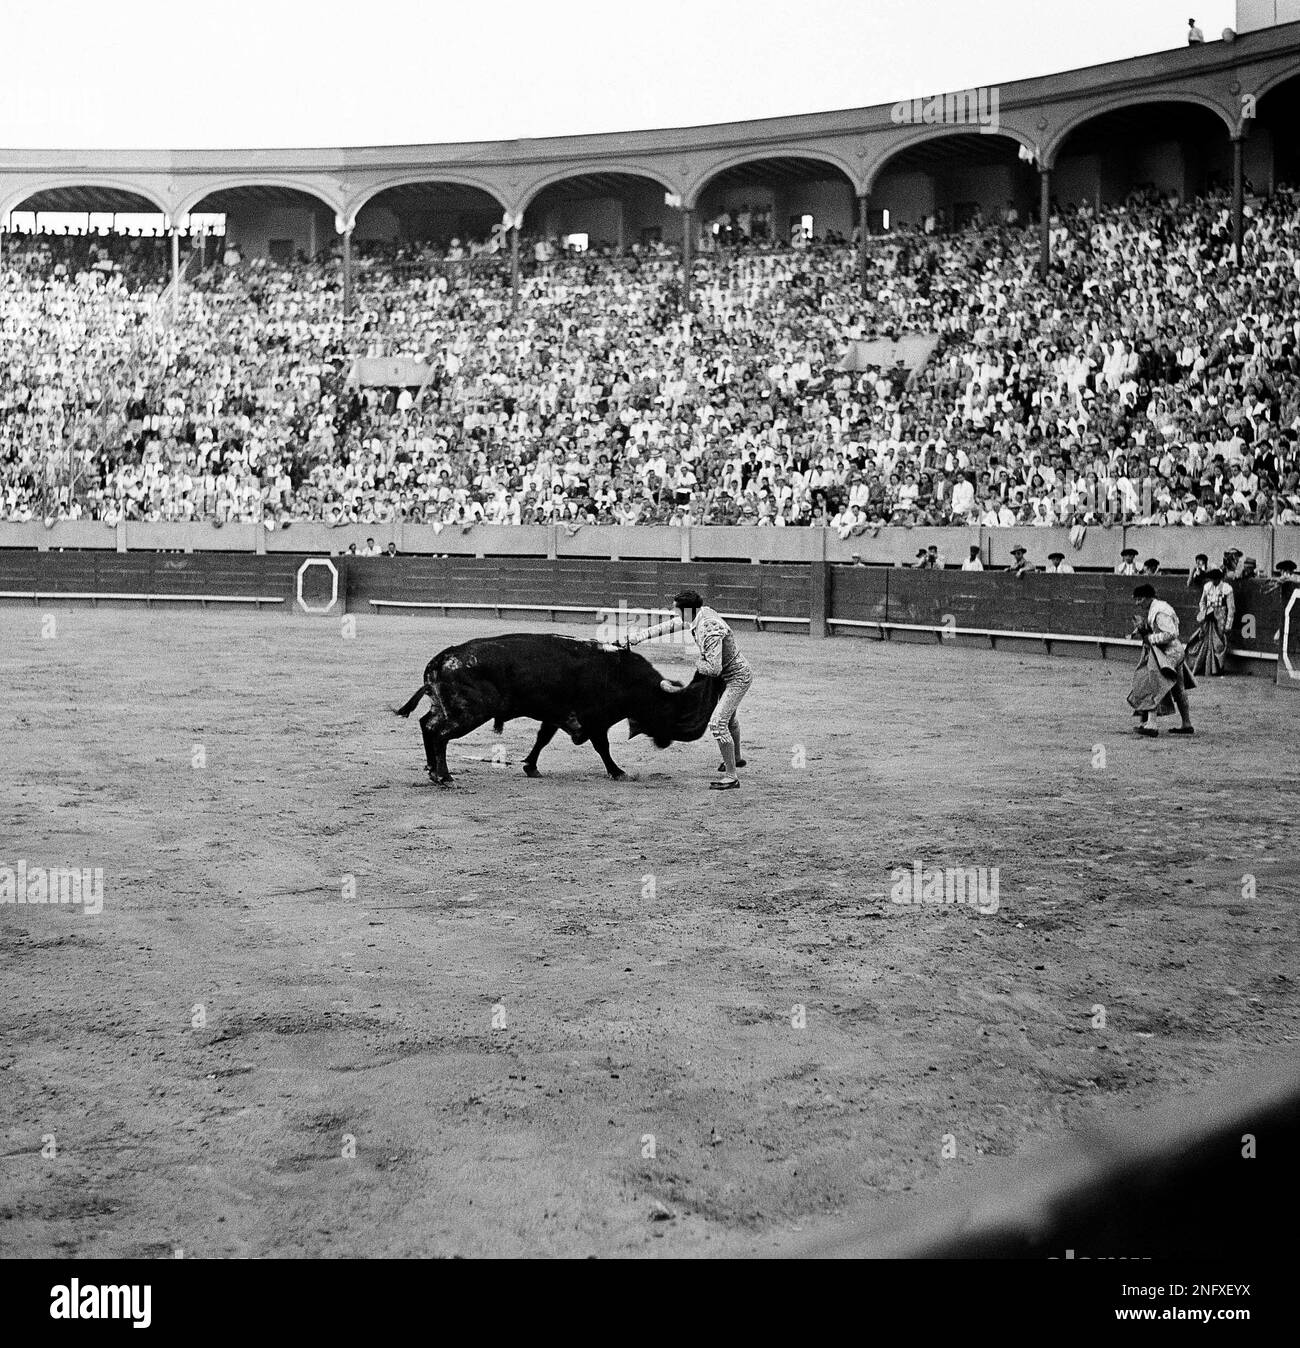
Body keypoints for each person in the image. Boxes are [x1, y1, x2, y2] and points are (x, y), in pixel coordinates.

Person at [625, 588, 753, 790]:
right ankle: (735, 757)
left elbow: (713, 668)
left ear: (687, 611)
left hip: (735, 678)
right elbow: (672, 625)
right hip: (726, 675)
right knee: (729, 719)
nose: (675, 613)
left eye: (677, 610)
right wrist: (639, 636)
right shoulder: (701, 613)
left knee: (719, 723)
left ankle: (731, 776)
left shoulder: (709, 627)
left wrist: (696, 661)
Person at [1127, 583, 1196, 737]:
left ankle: (1151, 724)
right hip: (1174, 651)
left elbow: (1171, 633)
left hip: (1168, 653)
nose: (1137, 603)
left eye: (1139, 599)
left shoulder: (1159, 611)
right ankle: (1186, 723)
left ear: (1148, 597)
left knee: (1152, 681)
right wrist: (1143, 628)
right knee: (1178, 688)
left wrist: (1150, 637)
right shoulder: (1157, 607)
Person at [1185, 567, 1235, 676]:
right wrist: (1204, 612)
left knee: (1219, 641)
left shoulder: (1227, 588)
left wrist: (1228, 624)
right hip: (1208, 615)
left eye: (1215, 579)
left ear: (1220, 579)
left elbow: (1231, 608)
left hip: (1221, 615)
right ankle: (1206, 667)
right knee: (1205, 639)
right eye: (1212, 579)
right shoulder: (1207, 587)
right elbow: (1202, 602)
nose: (1213, 581)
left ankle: (1217, 668)